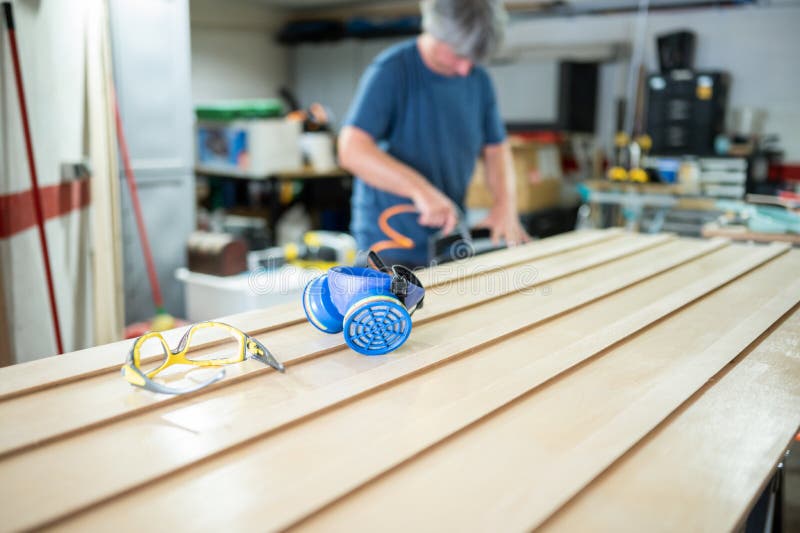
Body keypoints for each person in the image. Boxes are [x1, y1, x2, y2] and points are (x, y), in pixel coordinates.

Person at [338, 0, 530, 268]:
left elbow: (496, 148)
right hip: (388, 245)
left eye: (472, 58)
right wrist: (421, 191)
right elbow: (351, 149)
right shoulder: (391, 70)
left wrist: (505, 206)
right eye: (458, 55)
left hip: (448, 241)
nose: (464, 69)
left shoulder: (478, 80)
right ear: (433, 31)